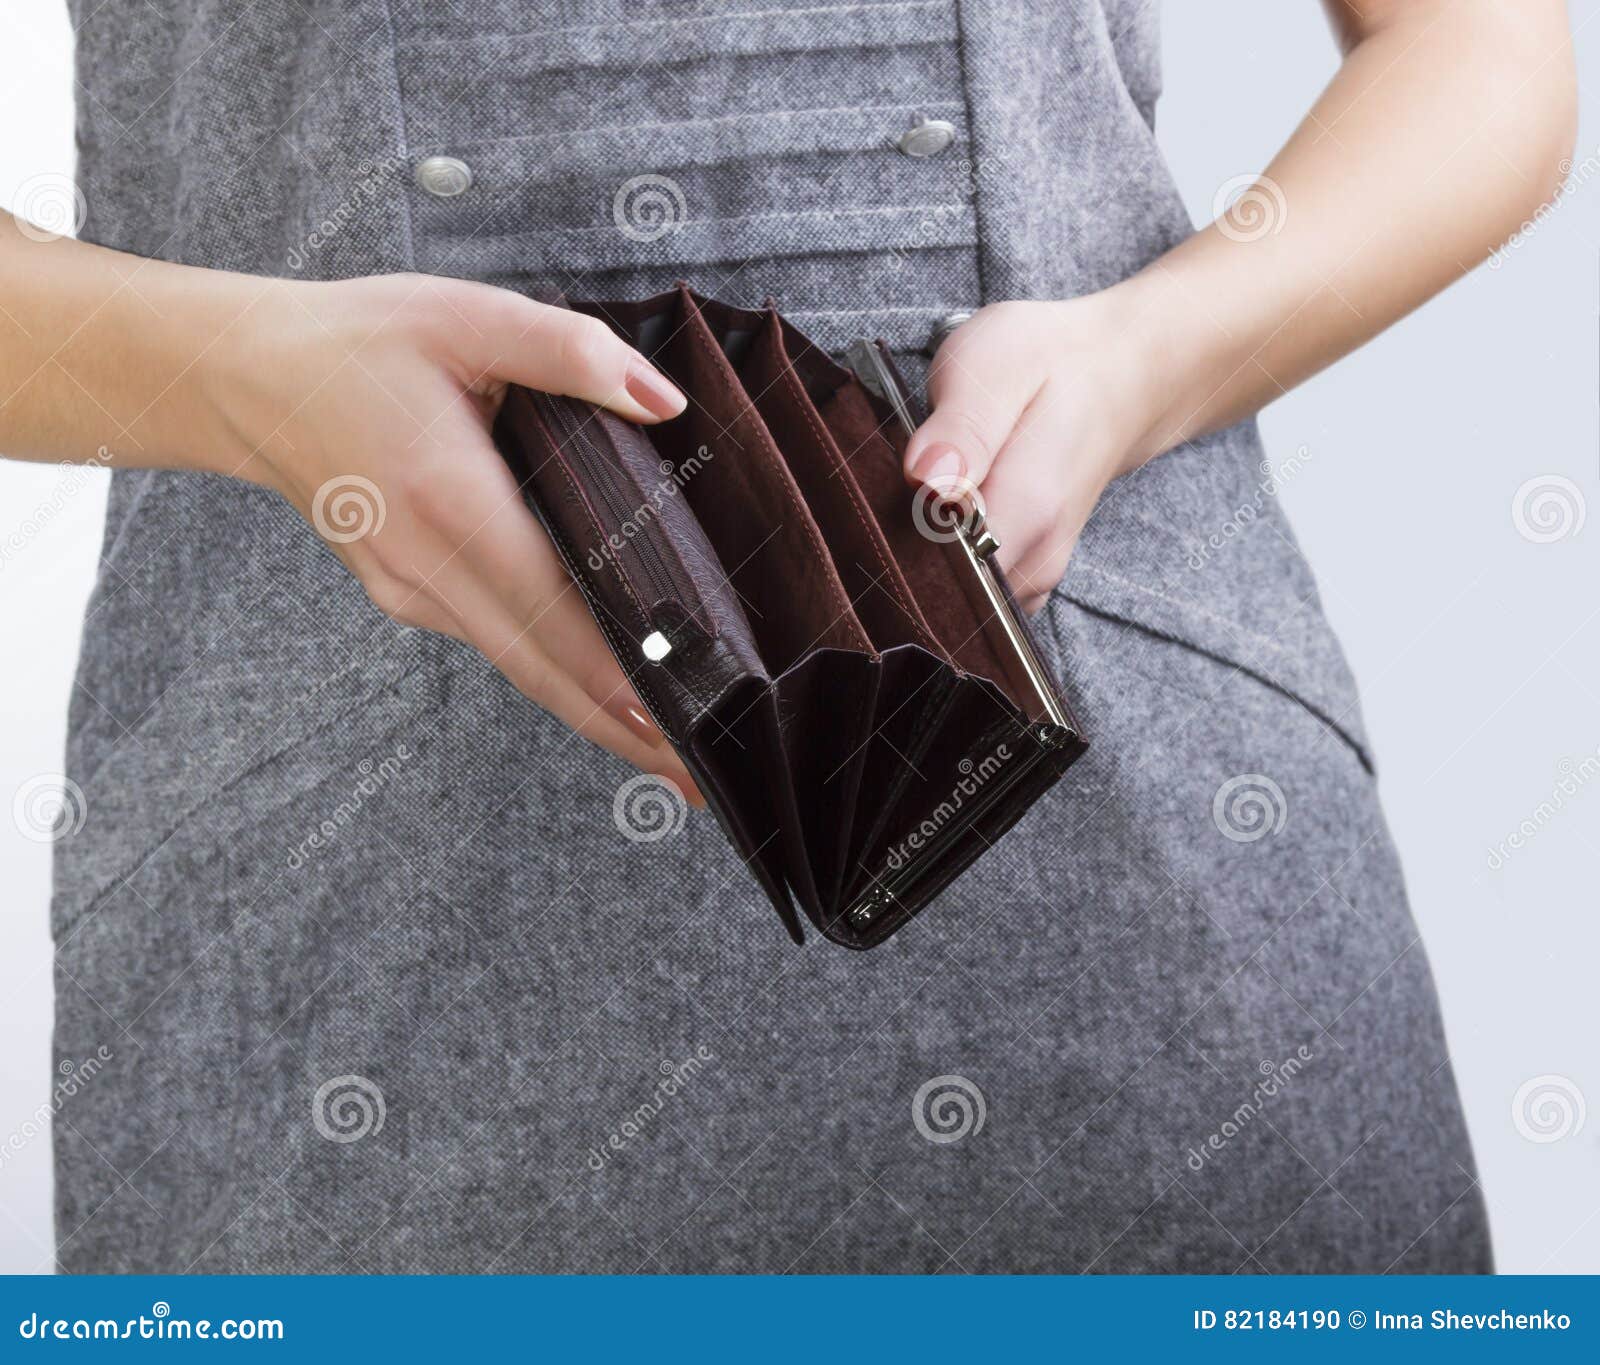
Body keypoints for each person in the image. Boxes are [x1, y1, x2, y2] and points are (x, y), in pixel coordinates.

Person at [5, 0, 1573, 1272]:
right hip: (332, 904)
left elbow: (1481, 46)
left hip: (1150, 847)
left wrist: (1139, 360)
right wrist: (246, 373)